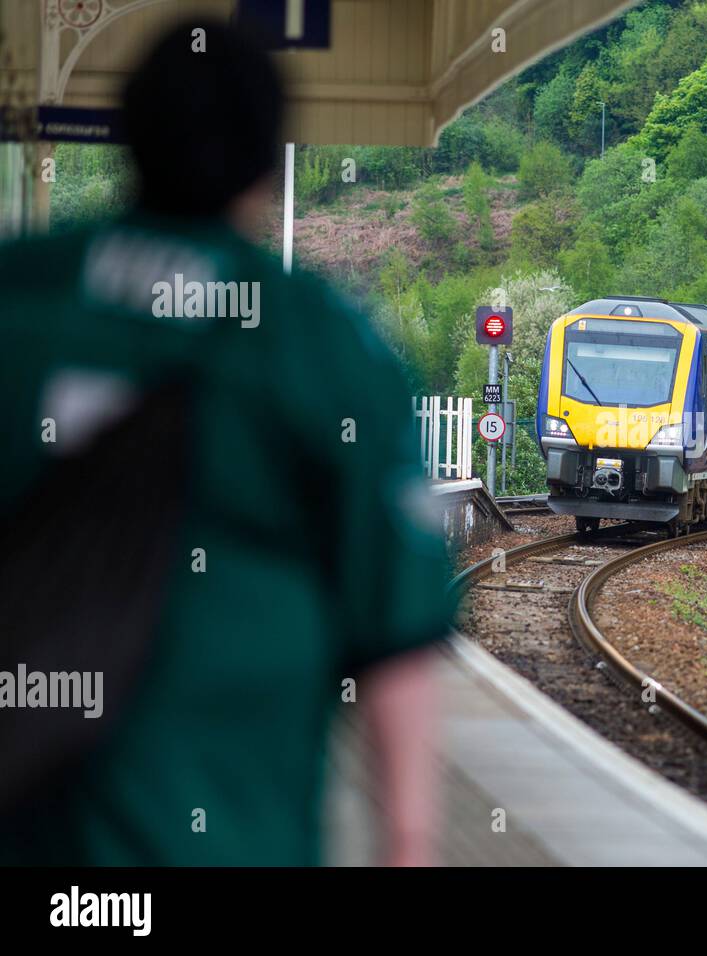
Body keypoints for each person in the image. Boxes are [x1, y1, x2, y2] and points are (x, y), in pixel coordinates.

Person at [0, 19, 455, 865]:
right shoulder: (320, 342)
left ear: (126, 136)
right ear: (265, 164)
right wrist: (408, 844)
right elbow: (397, 640)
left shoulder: (21, 289)